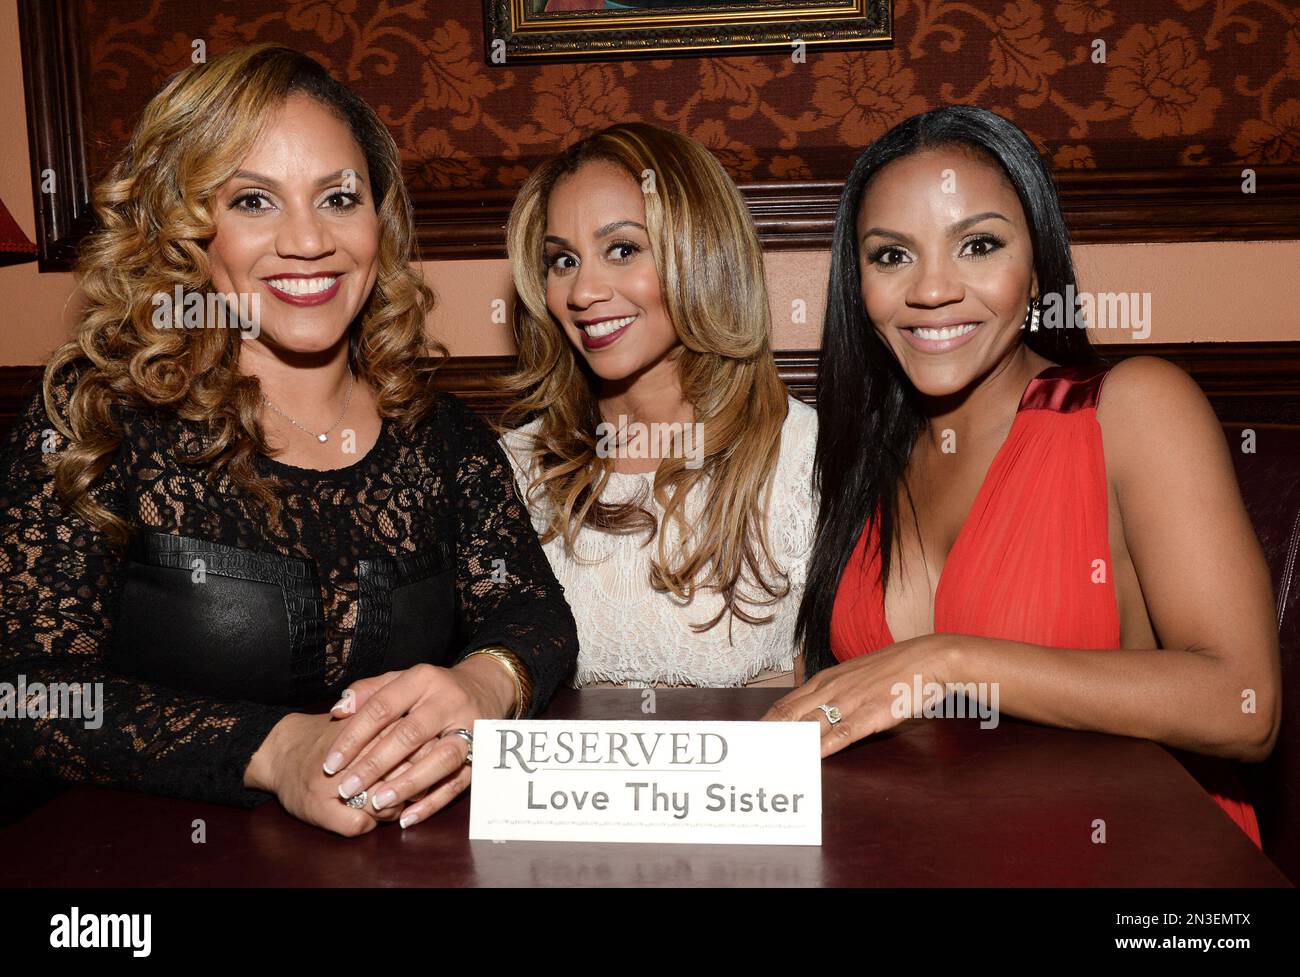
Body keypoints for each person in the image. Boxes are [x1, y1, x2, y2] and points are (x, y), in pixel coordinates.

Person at [0, 44, 578, 836]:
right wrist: (274, 749)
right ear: (186, 230)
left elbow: (534, 610)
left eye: (339, 199)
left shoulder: (441, 439)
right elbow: (28, 692)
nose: (309, 241)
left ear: (380, 219)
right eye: (254, 202)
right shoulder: (96, 419)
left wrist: (487, 682)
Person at [765, 105, 1280, 844]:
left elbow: (1246, 705)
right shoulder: (865, 457)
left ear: (1037, 267)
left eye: (977, 244)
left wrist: (947, 661)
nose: (932, 290)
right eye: (891, 255)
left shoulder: (1129, 409)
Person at [498, 123, 817, 687]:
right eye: (563, 261)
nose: (582, 292)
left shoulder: (804, 458)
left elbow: (838, 700)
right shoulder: (513, 469)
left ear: (701, 252)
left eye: (622, 249)